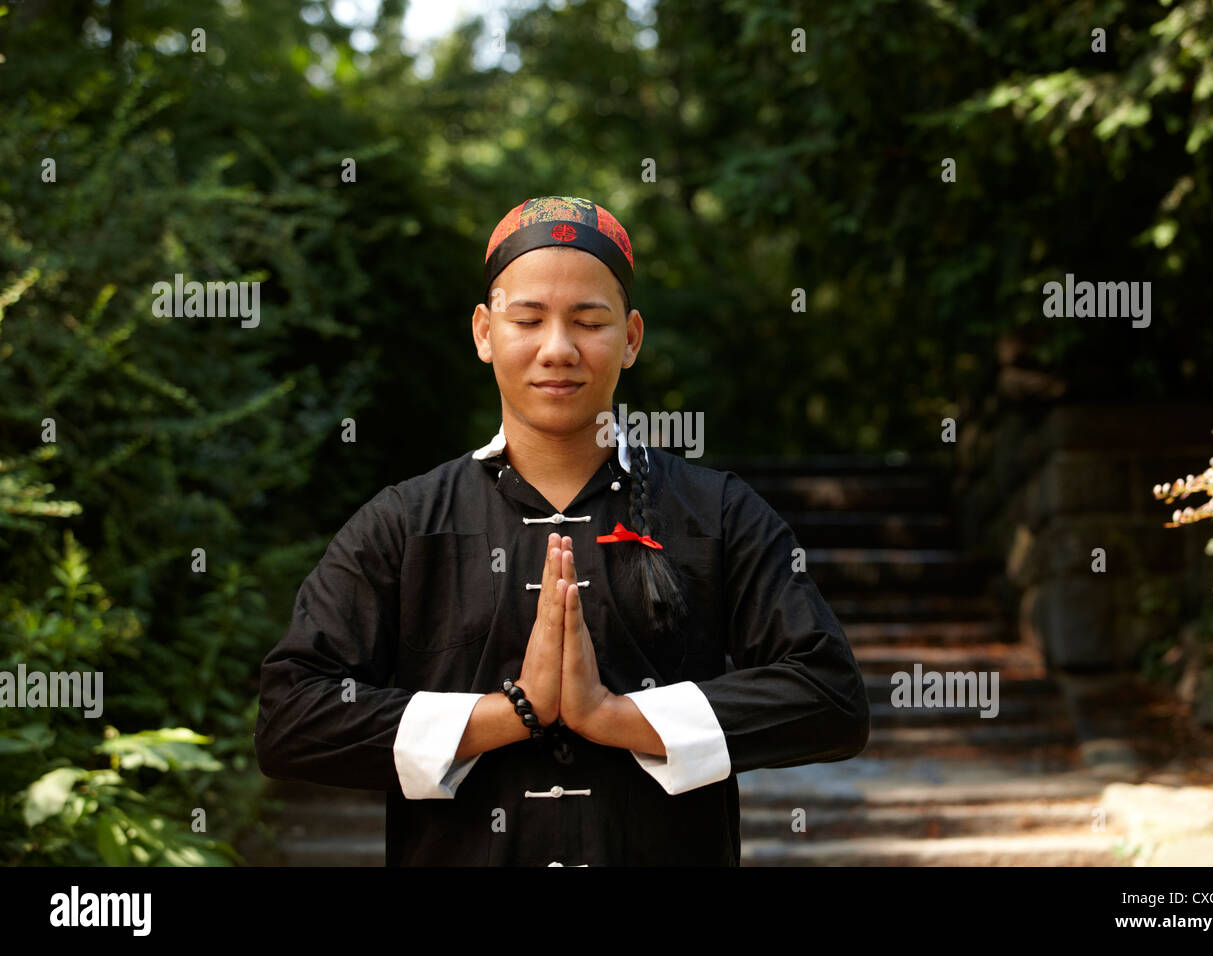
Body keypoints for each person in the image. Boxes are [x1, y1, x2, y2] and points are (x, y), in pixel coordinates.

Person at [254, 195, 871, 866]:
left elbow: (829, 695)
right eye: (528, 319)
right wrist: (511, 712)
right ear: (484, 333)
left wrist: (615, 718)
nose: (557, 348)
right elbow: (292, 719)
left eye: (588, 321)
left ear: (630, 338)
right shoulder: (405, 524)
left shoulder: (715, 512)